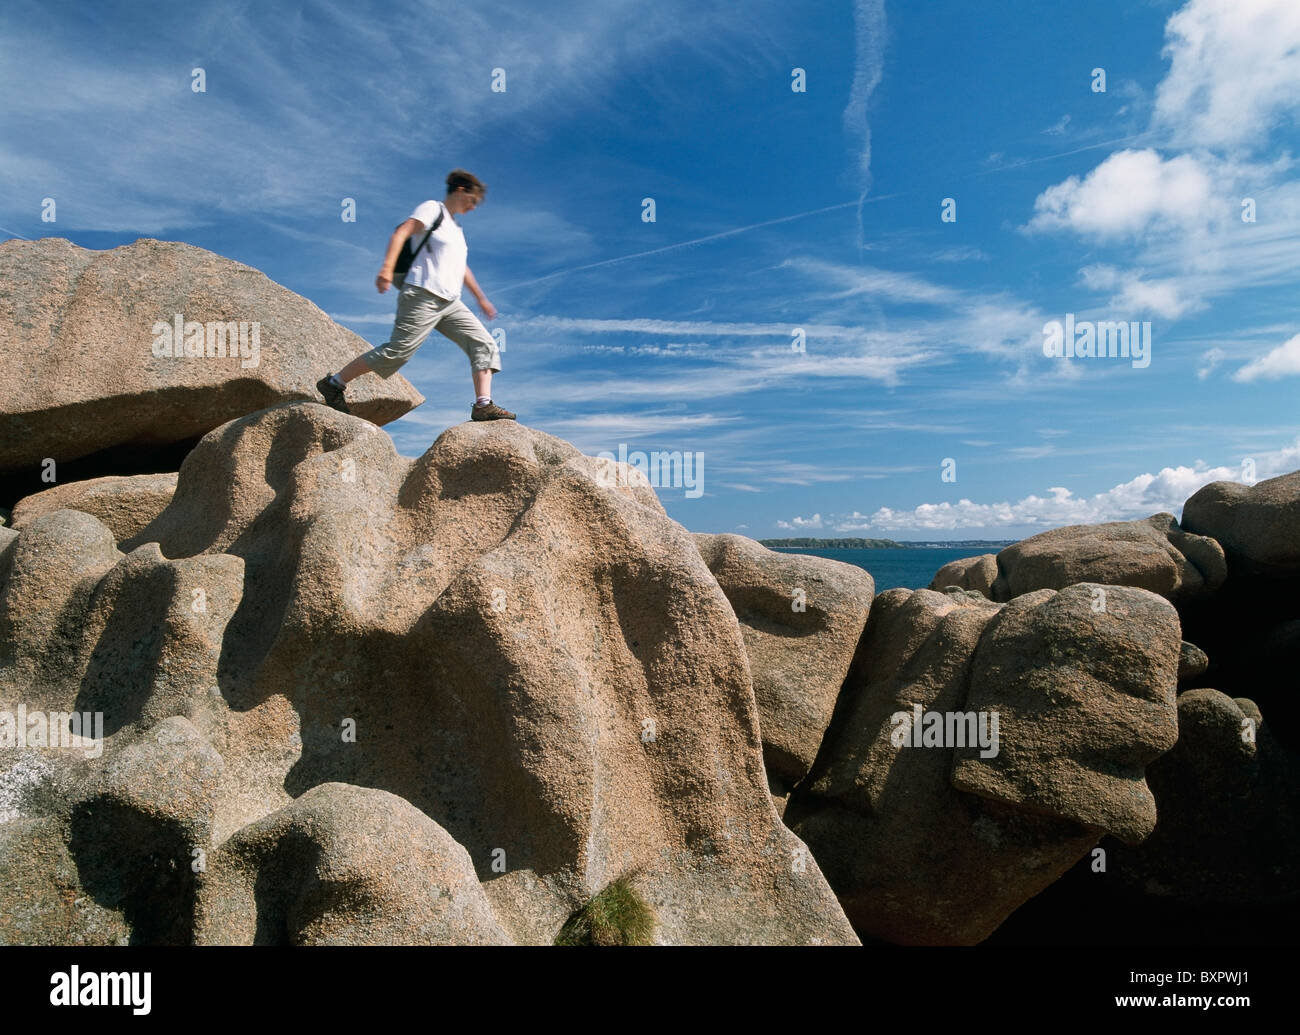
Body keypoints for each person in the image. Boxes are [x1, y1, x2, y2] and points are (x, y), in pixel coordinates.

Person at [317, 168, 515, 421]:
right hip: (422, 292)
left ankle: (483, 405)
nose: (474, 207)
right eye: (474, 200)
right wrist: (386, 269)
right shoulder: (433, 209)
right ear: (461, 190)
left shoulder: (457, 230)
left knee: (484, 344)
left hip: (451, 301)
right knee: (398, 351)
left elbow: (461, 267)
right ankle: (334, 383)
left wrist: (481, 299)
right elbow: (402, 233)